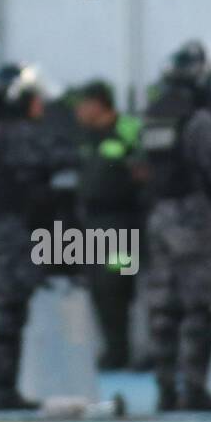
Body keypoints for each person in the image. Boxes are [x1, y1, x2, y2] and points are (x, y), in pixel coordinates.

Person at [0, 63, 65, 410]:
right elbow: (53, 164)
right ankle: (0, 391)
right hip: (11, 232)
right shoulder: (18, 133)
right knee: (11, 313)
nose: (40, 106)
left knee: (2, 313)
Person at [141, 41, 211, 412]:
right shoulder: (201, 119)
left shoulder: (153, 114)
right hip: (194, 215)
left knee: (164, 308)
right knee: (198, 306)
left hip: (158, 215)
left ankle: (165, 390)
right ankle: (193, 389)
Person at [73, 79, 143, 371]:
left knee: (118, 286)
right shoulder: (86, 137)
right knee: (99, 288)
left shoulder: (128, 128)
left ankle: (123, 351)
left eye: (82, 104)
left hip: (122, 224)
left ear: (98, 104)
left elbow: (142, 166)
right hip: (93, 223)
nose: (77, 111)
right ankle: (113, 351)